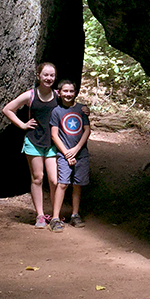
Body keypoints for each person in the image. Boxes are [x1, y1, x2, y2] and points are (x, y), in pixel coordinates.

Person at [2, 62, 60, 228]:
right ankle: (40, 215)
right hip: (34, 140)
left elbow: (71, 109)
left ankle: (55, 215)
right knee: (38, 177)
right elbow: (7, 109)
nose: (49, 78)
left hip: (51, 142)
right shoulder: (30, 95)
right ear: (39, 76)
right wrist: (22, 125)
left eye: (52, 75)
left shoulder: (58, 95)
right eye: (46, 75)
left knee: (54, 180)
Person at [48, 79, 90, 231]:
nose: (68, 94)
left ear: (75, 93)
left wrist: (76, 149)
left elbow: (86, 130)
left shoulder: (81, 109)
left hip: (81, 154)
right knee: (63, 183)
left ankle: (75, 215)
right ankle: (55, 218)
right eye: (65, 91)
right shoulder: (57, 112)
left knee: (77, 184)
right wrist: (66, 153)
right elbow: (54, 135)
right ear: (59, 93)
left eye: (71, 91)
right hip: (64, 154)